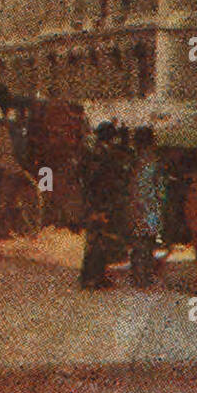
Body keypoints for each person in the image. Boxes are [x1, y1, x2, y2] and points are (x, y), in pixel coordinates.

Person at [78, 121, 125, 289]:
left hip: (93, 204)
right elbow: (103, 183)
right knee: (99, 242)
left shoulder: (94, 153)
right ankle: (94, 278)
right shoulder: (103, 155)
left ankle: (91, 276)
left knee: (94, 241)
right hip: (99, 204)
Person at [126, 127, 165, 288]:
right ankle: (144, 276)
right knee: (147, 243)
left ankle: (137, 275)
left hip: (135, 206)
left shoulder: (133, 161)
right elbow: (160, 188)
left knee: (138, 242)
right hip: (150, 208)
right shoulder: (154, 162)